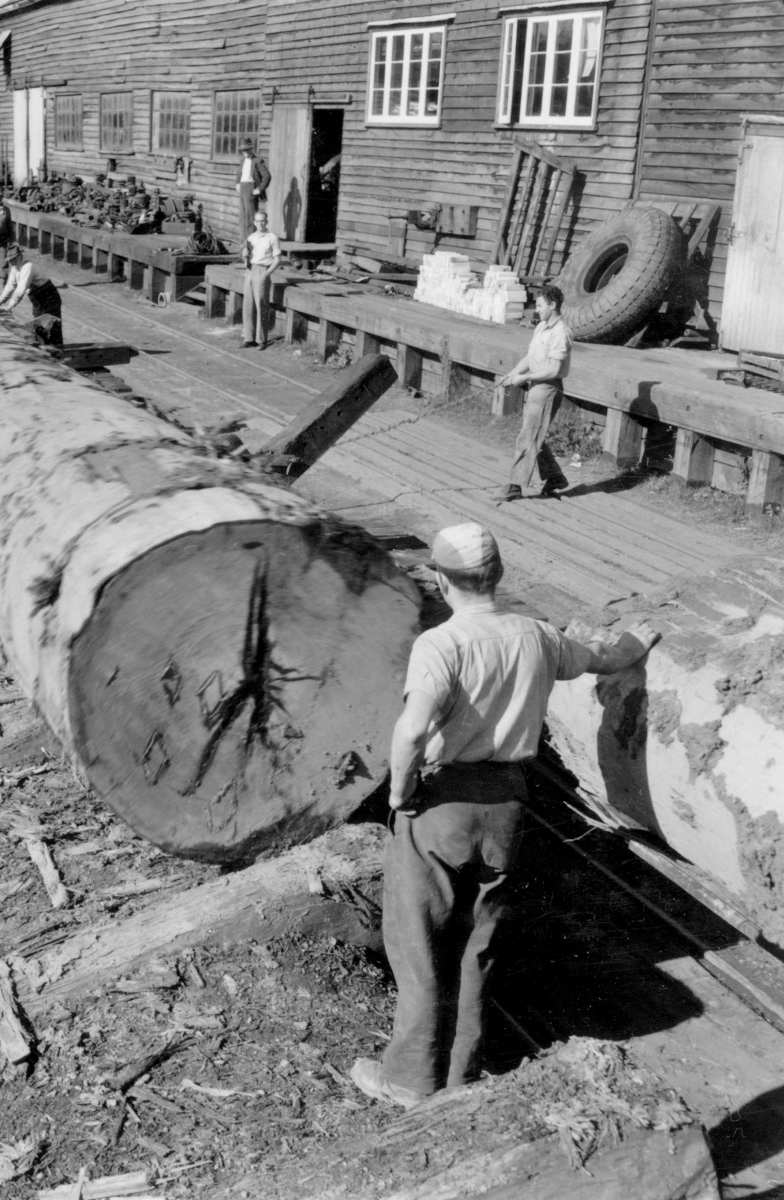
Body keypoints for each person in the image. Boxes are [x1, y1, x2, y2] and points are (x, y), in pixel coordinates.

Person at [351, 523, 660, 1110]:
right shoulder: (537, 636)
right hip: (509, 803)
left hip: (444, 802)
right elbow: (601, 658)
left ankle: (410, 1080)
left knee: (418, 940)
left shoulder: (442, 644)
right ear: (499, 575)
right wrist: (635, 646)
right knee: (479, 941)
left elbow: (413, 728)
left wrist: (400, 792)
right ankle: (463, 1075)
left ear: (442, 580)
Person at [496, 284, 573, 502]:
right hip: (536, 385)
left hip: (548, 387)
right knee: (533, 434)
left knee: (528, 436)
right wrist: (511, 374)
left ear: (553, 305)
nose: (536, 309)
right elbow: (530, 358)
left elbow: (554, 370)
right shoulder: (541, 328)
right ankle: (555, 477)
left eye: (540, 305)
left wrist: (525, 377)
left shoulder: (561, 332)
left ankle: (514, 485)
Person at [0, 247, 62, 346]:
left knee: (52, 326)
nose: (12, 262)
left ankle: (57, 351)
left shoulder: (28, 267)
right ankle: (42, 349)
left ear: (20, 256)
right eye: (10, 260)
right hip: (37, 300)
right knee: (38, 326)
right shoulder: (14, 268)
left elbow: (20, 290)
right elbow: (10, 286)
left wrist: (9, 307)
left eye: (14, 259)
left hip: (49, 297)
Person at [240, 209, 282, 349]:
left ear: (267, 221)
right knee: (248, 305)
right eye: (257, 221)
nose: (260, 223)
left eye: (263, 220)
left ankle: (261, 340)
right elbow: (245, 261)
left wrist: (267, 273)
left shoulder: (272, 237)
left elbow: (277, 260)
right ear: (254, 222)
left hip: (262, 271)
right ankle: (248, 338)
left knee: (261, 306)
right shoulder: (251, 237)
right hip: (250, 271)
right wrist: (244, 255)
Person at [235, 138, 271, 244]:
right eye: (243, 150)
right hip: (242, 187)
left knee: (250, 216)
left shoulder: (257, 160)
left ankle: (251, 241)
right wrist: (237, 183)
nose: (245, 152)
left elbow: (267, 176)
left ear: (251, 148)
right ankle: (243, 241)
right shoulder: (242, 160)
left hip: (250, 188)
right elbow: (239, 173)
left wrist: (259, 189)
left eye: (247, 149)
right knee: (242, 216)